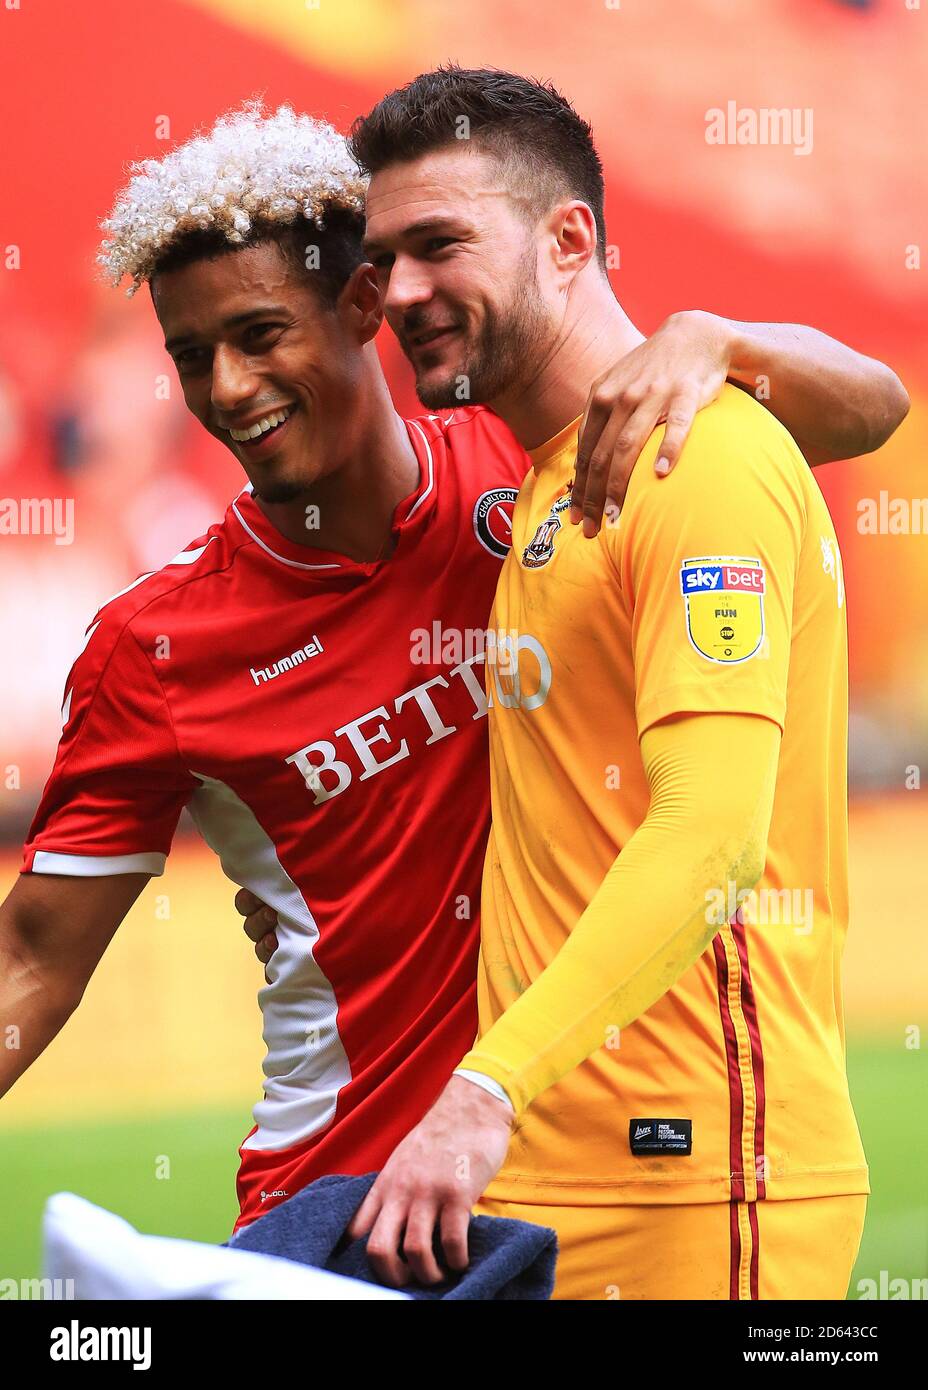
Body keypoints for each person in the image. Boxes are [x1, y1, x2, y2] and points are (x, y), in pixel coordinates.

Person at [0, 100, 905, 1252]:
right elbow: (33, 950)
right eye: (192, 357)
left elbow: (868, 410)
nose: (226, 388)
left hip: (555, 1164)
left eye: (262, 334)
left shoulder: (534, 468)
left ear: (361, 308)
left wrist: (714, 337)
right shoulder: (160, 644)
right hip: (342, 1190)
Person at [332, 66, 909, 1300]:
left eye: (440, 244)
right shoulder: (546, 472)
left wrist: (481, 1090)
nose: (406, 293)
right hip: (544, 1171)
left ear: (568, 239)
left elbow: (710, 836)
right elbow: (875, 402)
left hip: (703, 1177)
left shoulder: (696, 458)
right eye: (388, 260)